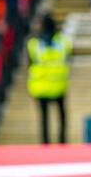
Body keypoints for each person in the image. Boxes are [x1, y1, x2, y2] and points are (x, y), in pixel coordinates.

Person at [27, 14, 71, 145]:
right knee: (62, 116)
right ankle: (62, 142)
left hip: (41, 86)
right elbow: (68, 58)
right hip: (59, 84)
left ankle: (45, 143)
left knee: (44, 118)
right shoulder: (63, 41)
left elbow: (30, 63)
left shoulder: (33, 43)